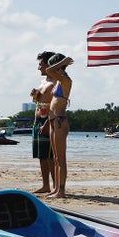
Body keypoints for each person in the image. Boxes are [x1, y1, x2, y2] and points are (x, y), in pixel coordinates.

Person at [43, 53, 73, 199]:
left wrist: (63, 62)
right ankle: (56, 189)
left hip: (60, 121)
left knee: (61, 159)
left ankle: (61, 190)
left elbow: (48, 70)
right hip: (53, 120)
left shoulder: (65, 80)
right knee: (55, 158)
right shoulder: (57, 81)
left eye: (54, 65)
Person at [30, 51, 56, 194]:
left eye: (41, 64)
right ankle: (45, 185)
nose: (39, 67)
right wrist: (35, 96)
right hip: (38, 120)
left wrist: (48, 123)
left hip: (48, 120)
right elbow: (39, 101)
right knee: (41, 156)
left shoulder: (55, 82)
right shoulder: (43, 82)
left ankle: (55, 185)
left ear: (48, 65)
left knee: (51, 156)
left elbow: (55, 104)